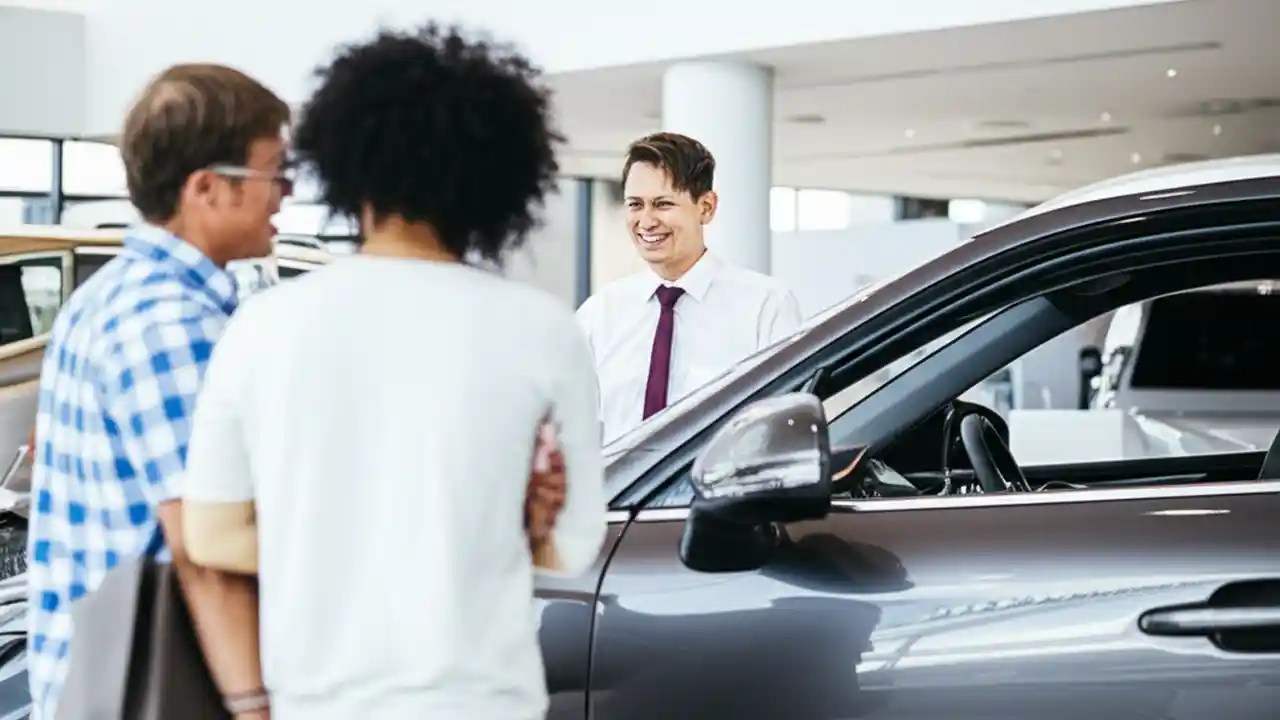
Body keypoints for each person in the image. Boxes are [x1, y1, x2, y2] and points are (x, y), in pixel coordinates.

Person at [178, 23, 606, 720]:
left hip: (321, 697)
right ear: (496, 179)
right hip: (484, 698)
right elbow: (574, 546)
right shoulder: (543, 330)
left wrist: (338, 532)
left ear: (348, 166)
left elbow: (212, 536)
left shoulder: (265, 325)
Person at [25, 63, 293, 720]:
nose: (285, 194)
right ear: (206, 187)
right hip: (163, 684)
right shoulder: (172, 325)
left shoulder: (105, 298)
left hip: (102, 675)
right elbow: (205, 549)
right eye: (274, 173)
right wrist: (255, 706)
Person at [577, 132, 804, 444]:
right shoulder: (598, 315)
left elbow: (782, 431)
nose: (646, 221)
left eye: (663, 204)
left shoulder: (765, 306)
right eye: (635, 205)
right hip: (620, 492)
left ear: (706, 207)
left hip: (726, 491)